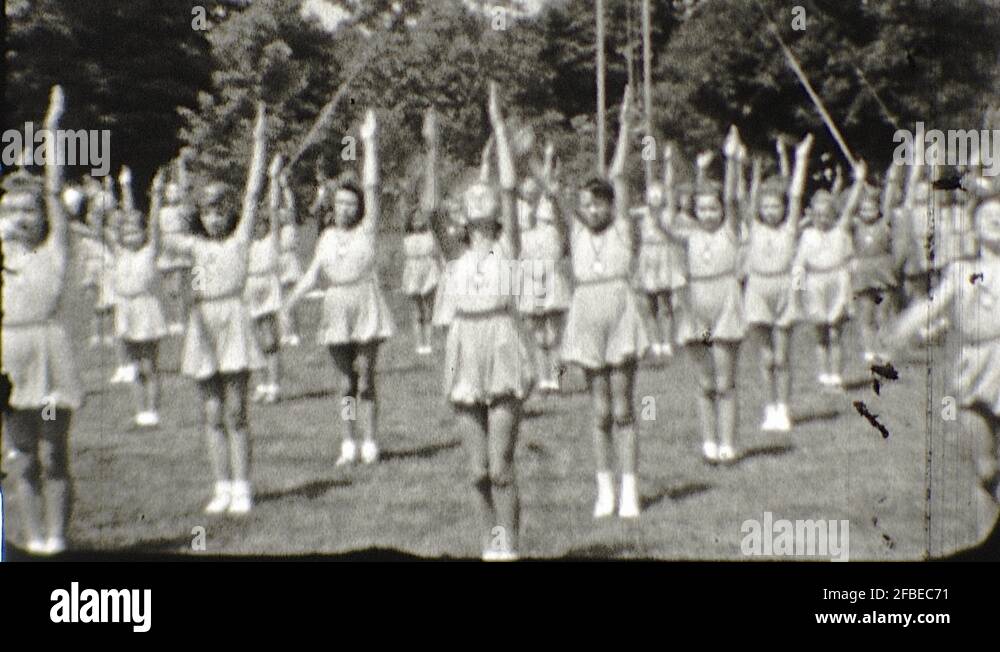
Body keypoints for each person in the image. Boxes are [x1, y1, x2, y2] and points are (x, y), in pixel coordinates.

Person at [433, 85, 533, 559]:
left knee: (501, 467)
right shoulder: (452, 253)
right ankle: (489, 545)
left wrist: (498, 124)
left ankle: (509, 548)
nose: (479, 196)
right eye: (470, 194)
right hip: (463, 345)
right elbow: (432, 209)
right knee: (476, 471)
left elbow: (510, 188)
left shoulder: (507, 246)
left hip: (501, 343)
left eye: (485, 192)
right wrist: (432, 149)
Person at [162, 103, 269, 515]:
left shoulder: (240, 240)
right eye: (208, 210)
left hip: (235, 321)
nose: (215, 216)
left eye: (222, 208)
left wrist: (259, 140)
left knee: (237, 410)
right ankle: (221, 485)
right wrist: (174, 181)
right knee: (211, 411)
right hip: (203, 323)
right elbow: (167, 228)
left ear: (232, 211)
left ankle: (243, 486)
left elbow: (254, 190)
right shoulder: (194, 245)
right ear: (200, 215)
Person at [282, 109, 394, 466]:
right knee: (345, 383)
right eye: (340, 203)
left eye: (351, 203)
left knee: (365, 377)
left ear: (359, 207)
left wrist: (370, 143)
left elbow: (373, 186)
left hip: (365, 303)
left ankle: (371, 440)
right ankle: (348, 441)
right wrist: (289, 302)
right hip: (336, 307)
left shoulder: (367, 230)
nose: (345, 208)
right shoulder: (328, 236)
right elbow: (314, 274)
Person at [561, 89, 649, 517]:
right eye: (585, 205)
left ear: (611, 206)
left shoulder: (621, 231)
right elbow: (554, 194)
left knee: (624, 407)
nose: (591, 210)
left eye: (598, 203)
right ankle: (605, 490)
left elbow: (618, 175)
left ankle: (630, 489)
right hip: (586, 317)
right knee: (598, 411)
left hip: (619, 314)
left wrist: (627, 128)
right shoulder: (577, 233)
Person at [1, 86, 80, 554]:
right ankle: (31, 540)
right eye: (10, 210)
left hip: (49, 357)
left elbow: (53, 189)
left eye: (27, 210)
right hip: (9, 360)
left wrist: (51, 129)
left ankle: (57, 536)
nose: (20, 217)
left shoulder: (57, 251)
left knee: (53, 455)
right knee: (21, 458)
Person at [665, 129, 745, 464]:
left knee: (725, 380)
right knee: (705, 380)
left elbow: (733, 200)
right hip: (699, 308)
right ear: (695, 212)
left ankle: (728, 442)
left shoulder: (730, 230)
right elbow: (667, 217)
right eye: (703, 210)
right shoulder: (689, 236)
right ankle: (709, 441)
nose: (709, 214)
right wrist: (669, 169)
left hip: (724, 304)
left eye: (714, 209)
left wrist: (732, 161)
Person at [742, 134, 812, 431]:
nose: (772, 211)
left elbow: (796, 196)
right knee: (766, 357)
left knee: (782, 355)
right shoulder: (753, 227)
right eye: (767, 206)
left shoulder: (789, 230)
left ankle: (783, 408)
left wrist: (802, 160)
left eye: (776, 206)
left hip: (783, 290)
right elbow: (742, 201)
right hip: (758, 290)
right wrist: (738, 163)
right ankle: (769, 407)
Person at [793, 160, 866, 389]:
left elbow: (851, 207)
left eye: (828, 214)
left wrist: (860, 180)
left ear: (833, 214)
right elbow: (799, 266)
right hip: (815, 284)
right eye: (818, 215)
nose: (823, 219)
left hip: (837, 281)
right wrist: (797, 292)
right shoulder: (806, 236)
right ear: (812, 215)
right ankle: (823, 374)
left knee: (836, 332)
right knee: (820, 334)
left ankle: (836, 375)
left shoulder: (839, 231)